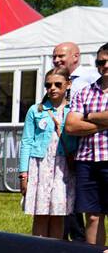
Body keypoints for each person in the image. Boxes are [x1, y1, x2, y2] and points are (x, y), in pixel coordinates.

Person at [19, 70, 78, 239]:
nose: (52, 88)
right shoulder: (35, 110)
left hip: (63, 167)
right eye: (48, 85)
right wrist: (24, 174)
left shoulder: (74, 109)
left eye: (57, 84)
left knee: (58, 214)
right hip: (40, 165)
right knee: (41, 213)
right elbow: (26, 142)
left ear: (68, 84)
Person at [66, 43, 108, 246]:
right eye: (101, 61)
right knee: (92, 216)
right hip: (88, 160)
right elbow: (71, 126)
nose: (105, 65)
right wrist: (101, 123)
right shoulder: (83, 92)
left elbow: (80, 121)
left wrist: (89, 116)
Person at [52, 42, 87, 241]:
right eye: (54, 56)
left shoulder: (92, 78)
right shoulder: (55, 80)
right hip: (62, 148)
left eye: (61, 56)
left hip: (86, 149)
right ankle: (62, 240)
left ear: (76, 56)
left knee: (82, 202)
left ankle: (82, 243)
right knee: (63, 195)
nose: (57, 60)